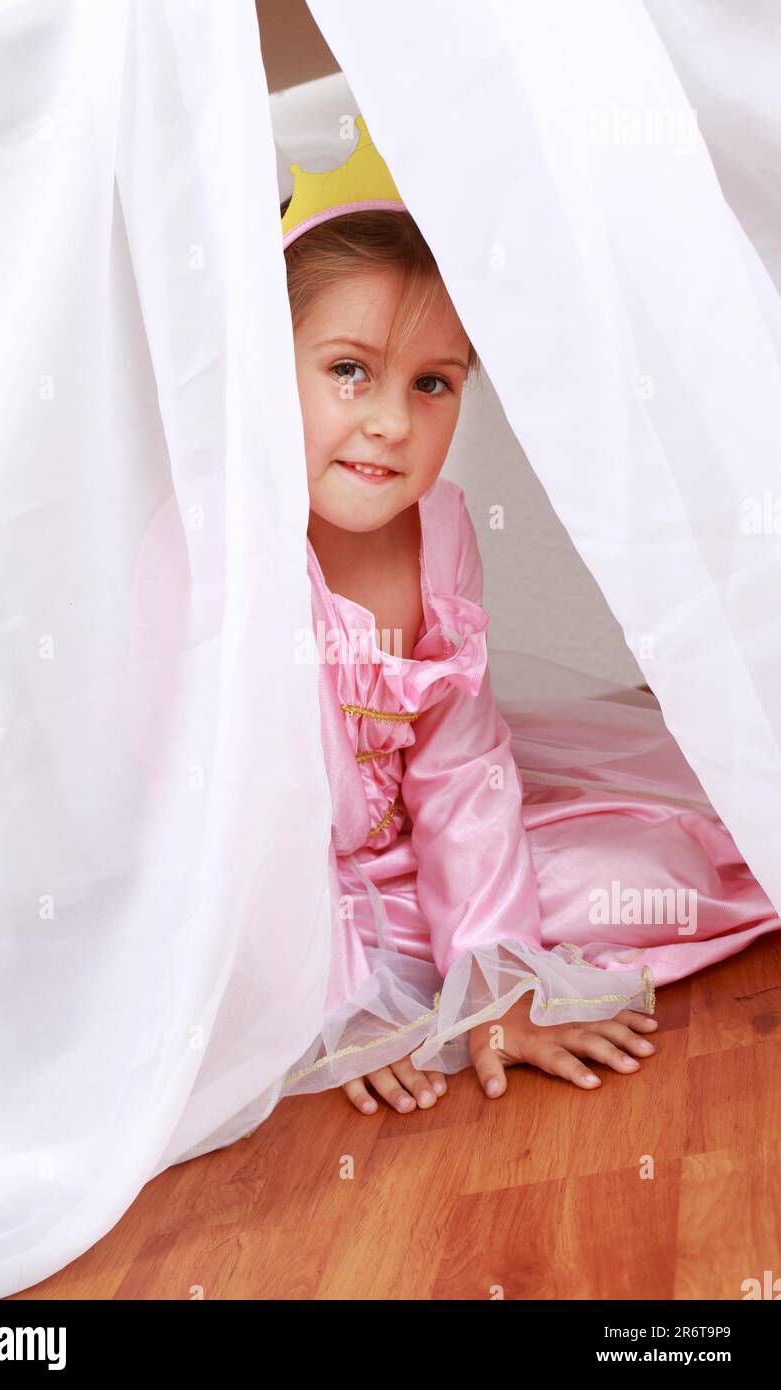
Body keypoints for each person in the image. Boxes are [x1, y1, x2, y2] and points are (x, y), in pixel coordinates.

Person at [276, 116, 781, 1118]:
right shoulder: (234, 563)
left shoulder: (440, 530)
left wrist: (492, 985)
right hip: (269, 899)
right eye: (347, 370)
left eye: (432, 383)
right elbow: (237, 826)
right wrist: (339, 1004)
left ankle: (484, 954)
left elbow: (460, 771)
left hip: (400, 858)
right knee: (317, 976)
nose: (391, 421)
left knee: (639, 873)